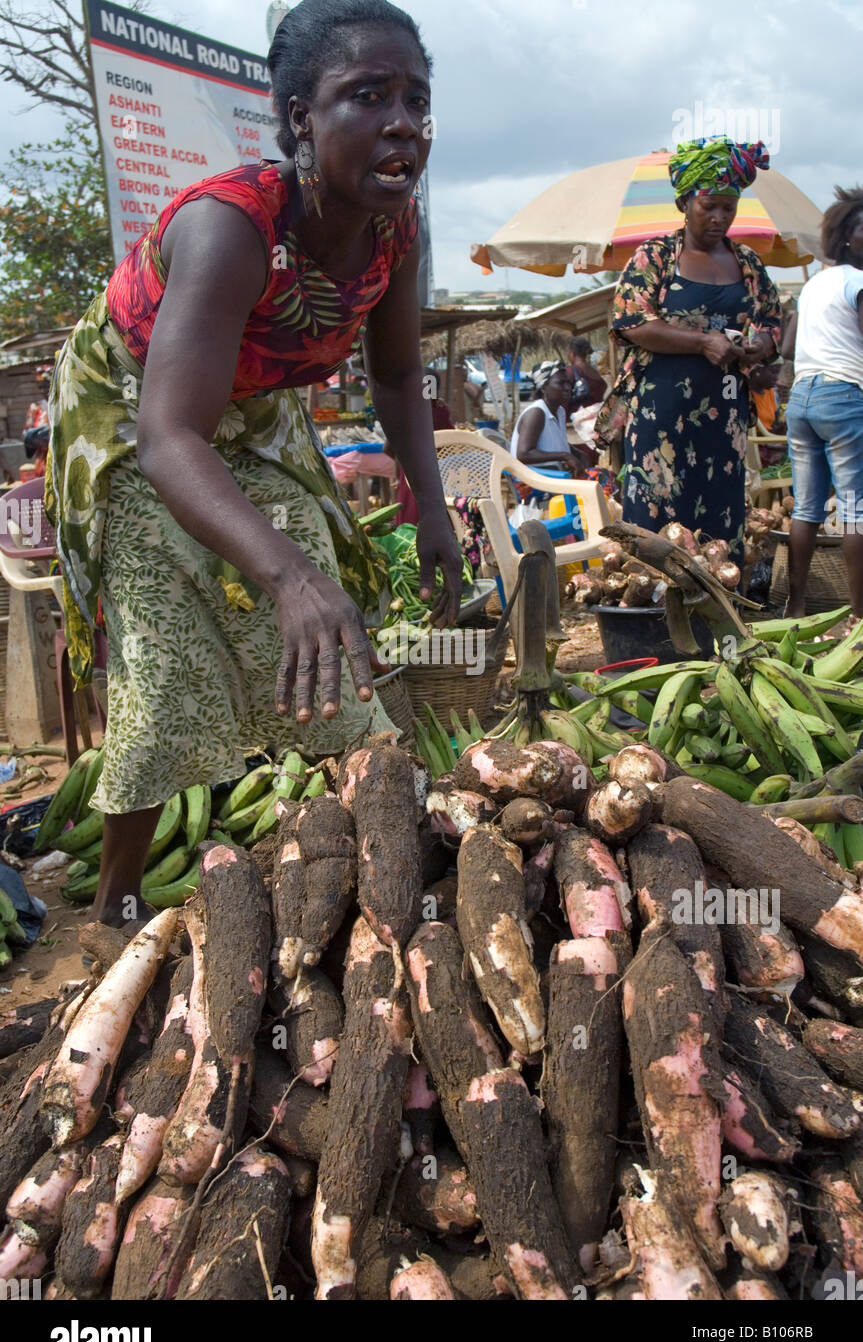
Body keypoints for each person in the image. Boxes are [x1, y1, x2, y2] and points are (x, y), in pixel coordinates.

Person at [45, 0, 463, 929]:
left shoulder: (396, 232)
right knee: (171, 618)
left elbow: (396, 376)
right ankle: (115, 903)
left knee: (312, 560)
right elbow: (166, 441)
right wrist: (287, 578)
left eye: (414, 98)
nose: (402, 121)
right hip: (132, 411)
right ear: (297, 121)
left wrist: (434, 511)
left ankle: (369, 848)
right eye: (367, 95)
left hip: (250, 408)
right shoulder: (229, 226)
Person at [596, 136, 781, 564]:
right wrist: (703, 343)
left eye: (728, 208)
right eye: (708, 205)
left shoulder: (749, 263)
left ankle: (715, 608)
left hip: (727, 408)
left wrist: (758, 347)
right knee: (658, 507)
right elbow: (632, 322)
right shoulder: (655, 257)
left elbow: (770, 320)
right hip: (662, 411)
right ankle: (655, 608)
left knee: (722, 504)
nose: (719, 217)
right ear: (684, 202)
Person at [786, 186, 863, 619]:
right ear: (848, 238)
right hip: (843, 395)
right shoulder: (859, 282)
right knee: (856, 509)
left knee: (806, 507)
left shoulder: (815, 284)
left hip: (802, 397)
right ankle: (859, 617)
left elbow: (785, 347)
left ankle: (795, 607)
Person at [393, 366, 452, 523]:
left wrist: (397, 475)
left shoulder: (408, 411)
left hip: (412, 474)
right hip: (440, 474)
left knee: (410, 519)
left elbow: (392, 448)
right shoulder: (442, 411)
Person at [567, 336, 606, 407]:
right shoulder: (595, 372)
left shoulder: (570, 371)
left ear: (572, 353)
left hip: (577, 416)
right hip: (598, 414)